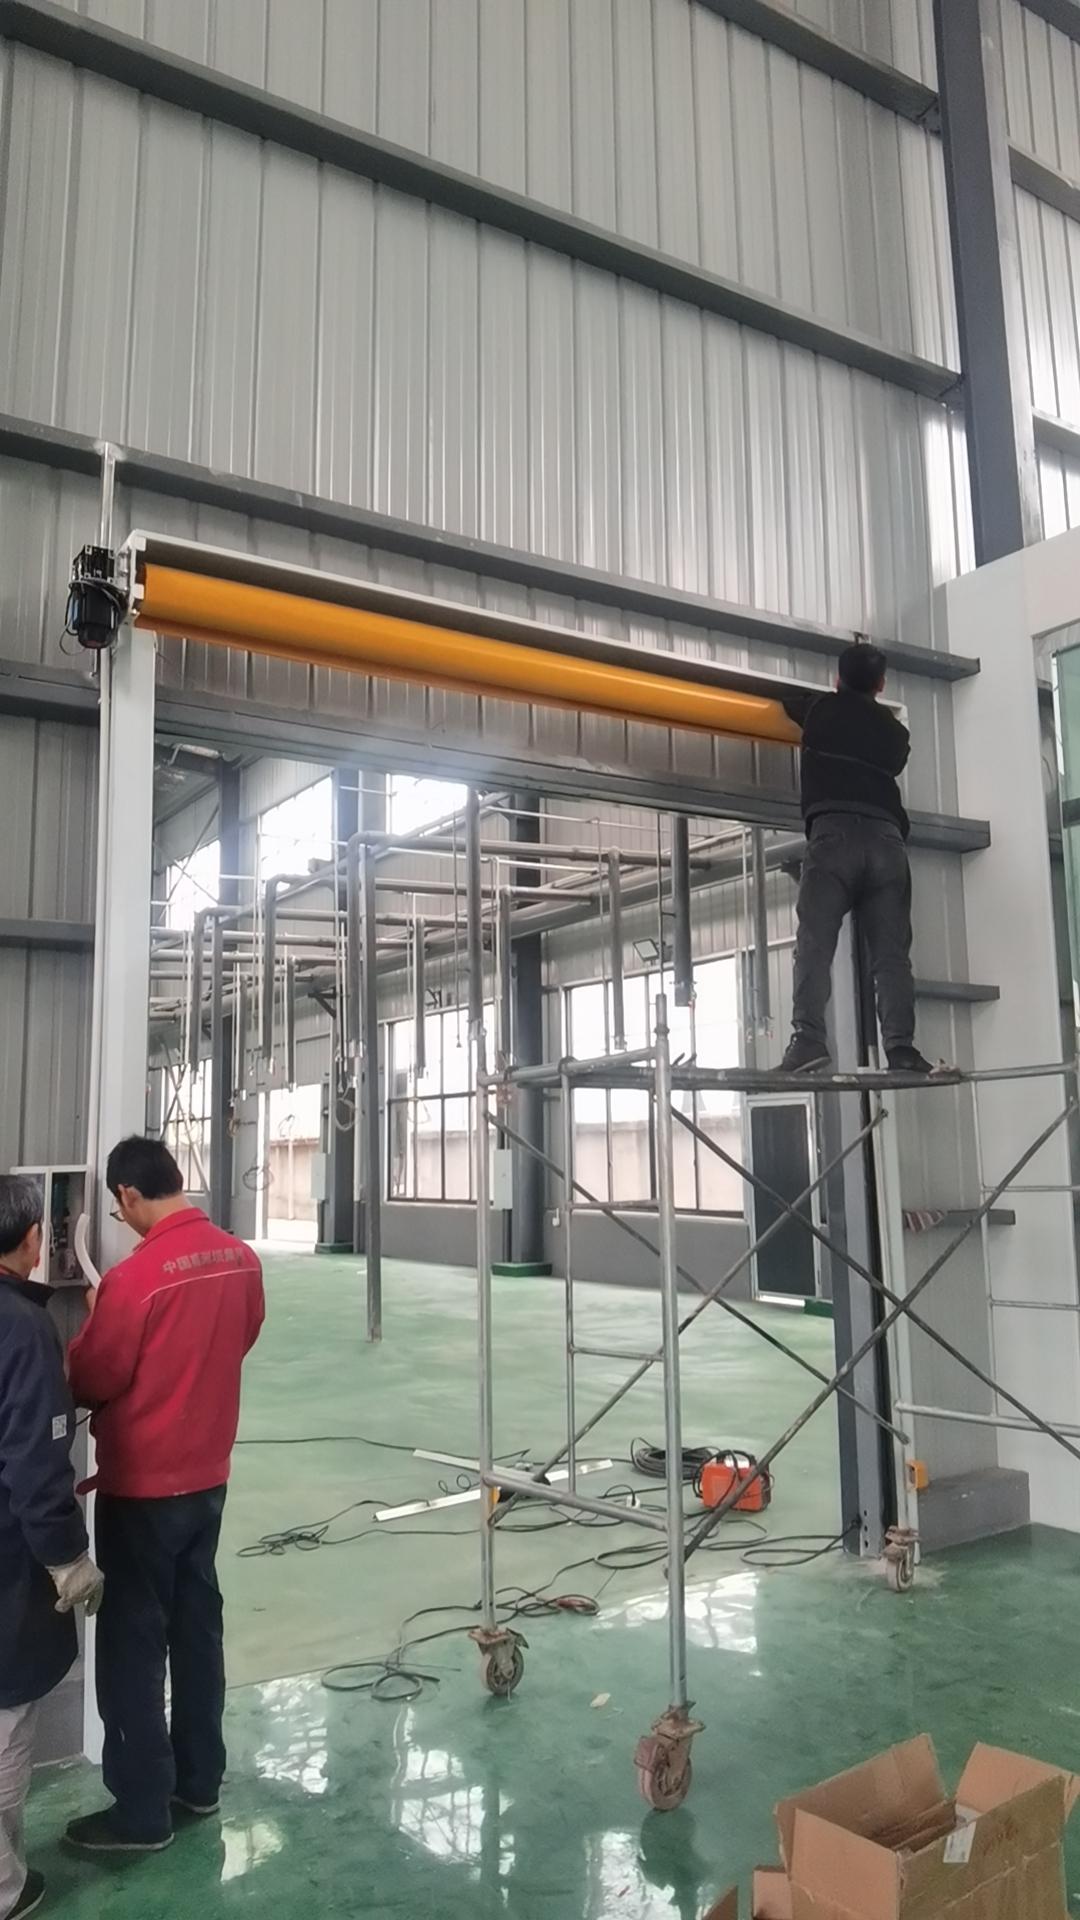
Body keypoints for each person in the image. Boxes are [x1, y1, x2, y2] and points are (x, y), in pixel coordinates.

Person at [65, 1138, 265, 1856]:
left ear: (125, 1195)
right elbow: (240, 1338)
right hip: (208, 1482)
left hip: (142, 1491)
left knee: (133, 1647)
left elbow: (92, 1378)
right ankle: (200, 1782)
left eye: (119, 1211)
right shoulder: (241, 1259)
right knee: (197, 1630)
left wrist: (93, 1317)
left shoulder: (134, 1281)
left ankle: (142, 1812)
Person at [0, 1176, 104, 1920]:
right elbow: (37, 1467)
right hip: (6, 1567)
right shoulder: (22, 1328)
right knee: (6, 1718)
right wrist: (68, 1559)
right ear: (36, 1239)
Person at [780, 642, 934, 1077]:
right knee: (891, 955)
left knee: (815, 943)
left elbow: (788, 702)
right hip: (887, 843)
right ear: (881, 684)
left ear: (837, 678)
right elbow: (896, 754)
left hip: (835, 839)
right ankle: (901, 1049)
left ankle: (809, 1040)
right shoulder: (894, 734)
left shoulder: (821, 712)